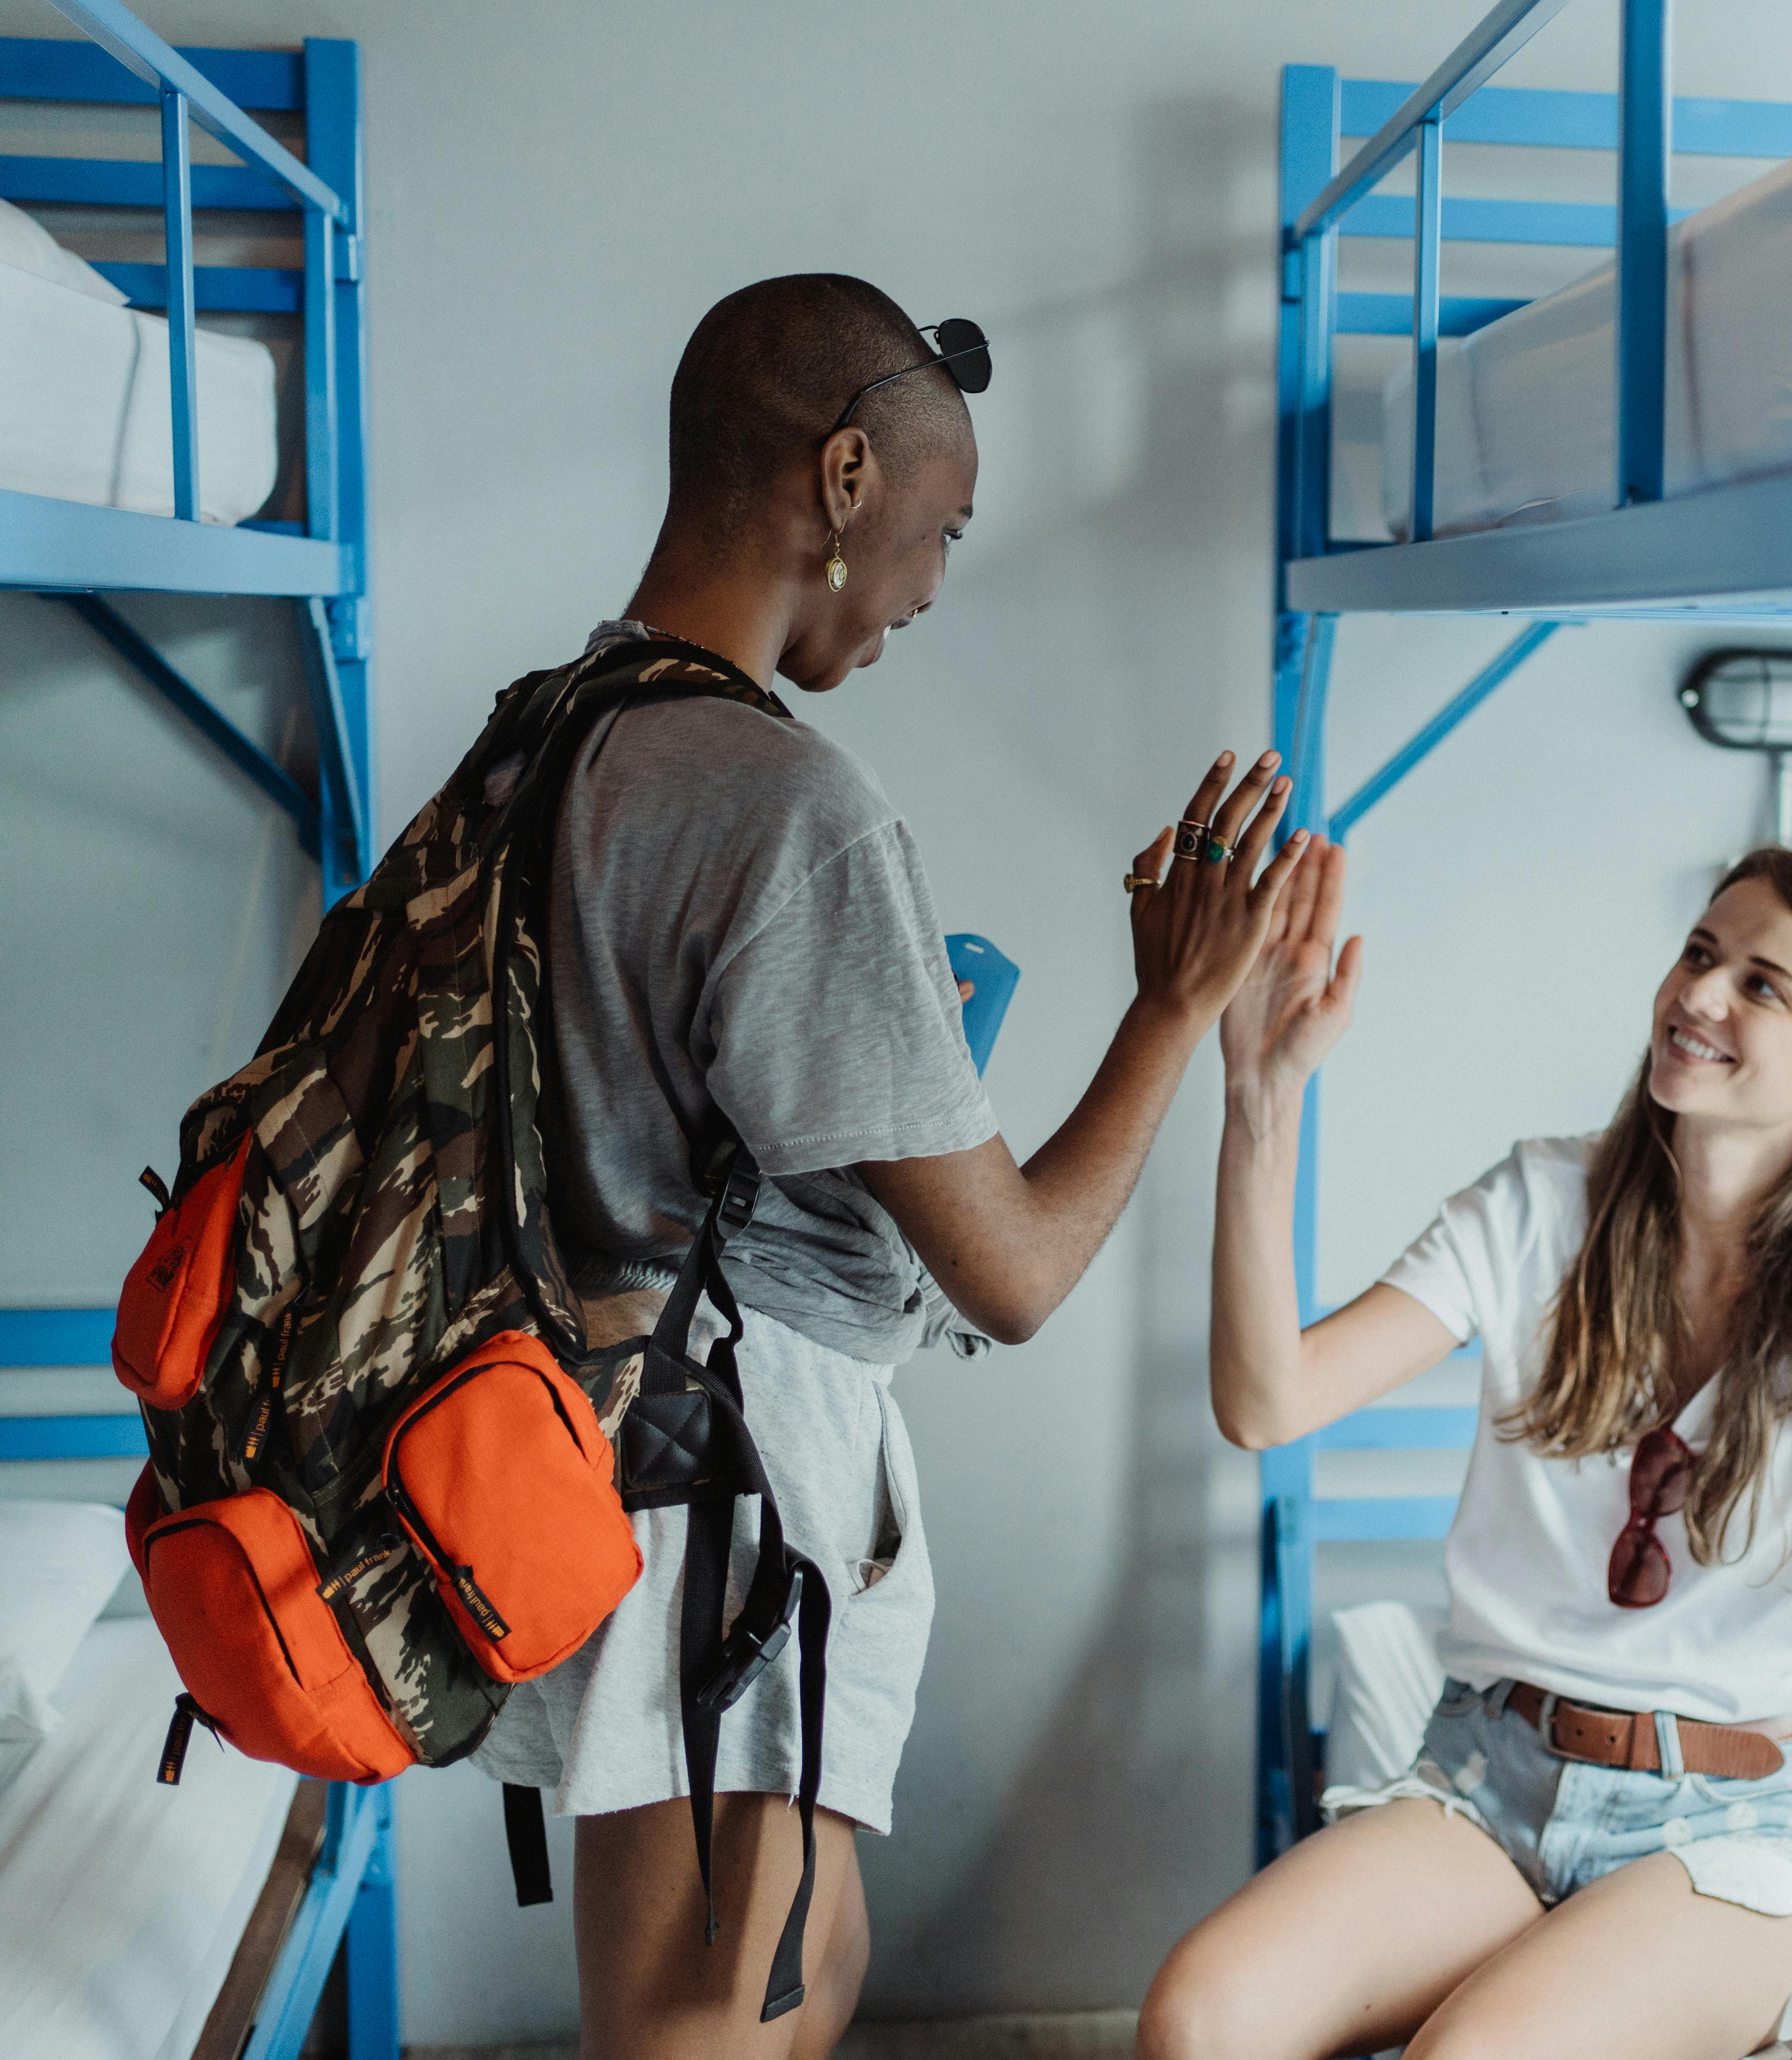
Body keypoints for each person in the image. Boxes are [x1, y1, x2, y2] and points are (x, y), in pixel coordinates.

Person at [464, 273, 1316, 2060]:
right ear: (845, 477)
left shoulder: (547, 732)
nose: (934, 583)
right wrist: (1177, 1006)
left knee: (816, 1969)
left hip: (594, 1434)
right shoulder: (792, 811)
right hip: (723, 1486)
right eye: (945, 528)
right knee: (709, 2027)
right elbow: (1015, 1269)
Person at [1144, 844, 1792, 2060]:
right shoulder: (1539, 1204)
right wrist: (1260, 1089)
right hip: (1489, 1778)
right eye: (1699, 953)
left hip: (1745, 1829)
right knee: (1198, 2021)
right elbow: (1266, 1402)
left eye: (1762, 984)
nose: (1698, 993)